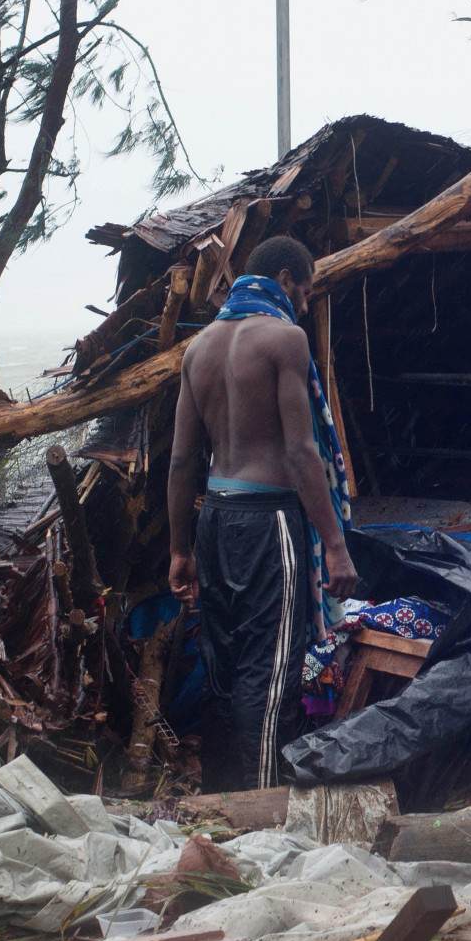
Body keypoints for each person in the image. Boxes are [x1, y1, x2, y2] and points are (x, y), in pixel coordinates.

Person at [167, 236, 356, 788]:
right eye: (306, 292)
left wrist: (180, 550)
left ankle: (219, 799)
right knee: (270, 673)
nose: (306, 305)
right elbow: (301, 452)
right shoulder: (284, 339)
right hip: (269, 521)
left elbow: (181, 461)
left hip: (214, 518)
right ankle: (263, 808)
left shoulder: (198, 349)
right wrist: (336, 546)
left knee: (224, 664)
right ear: (286, 279)